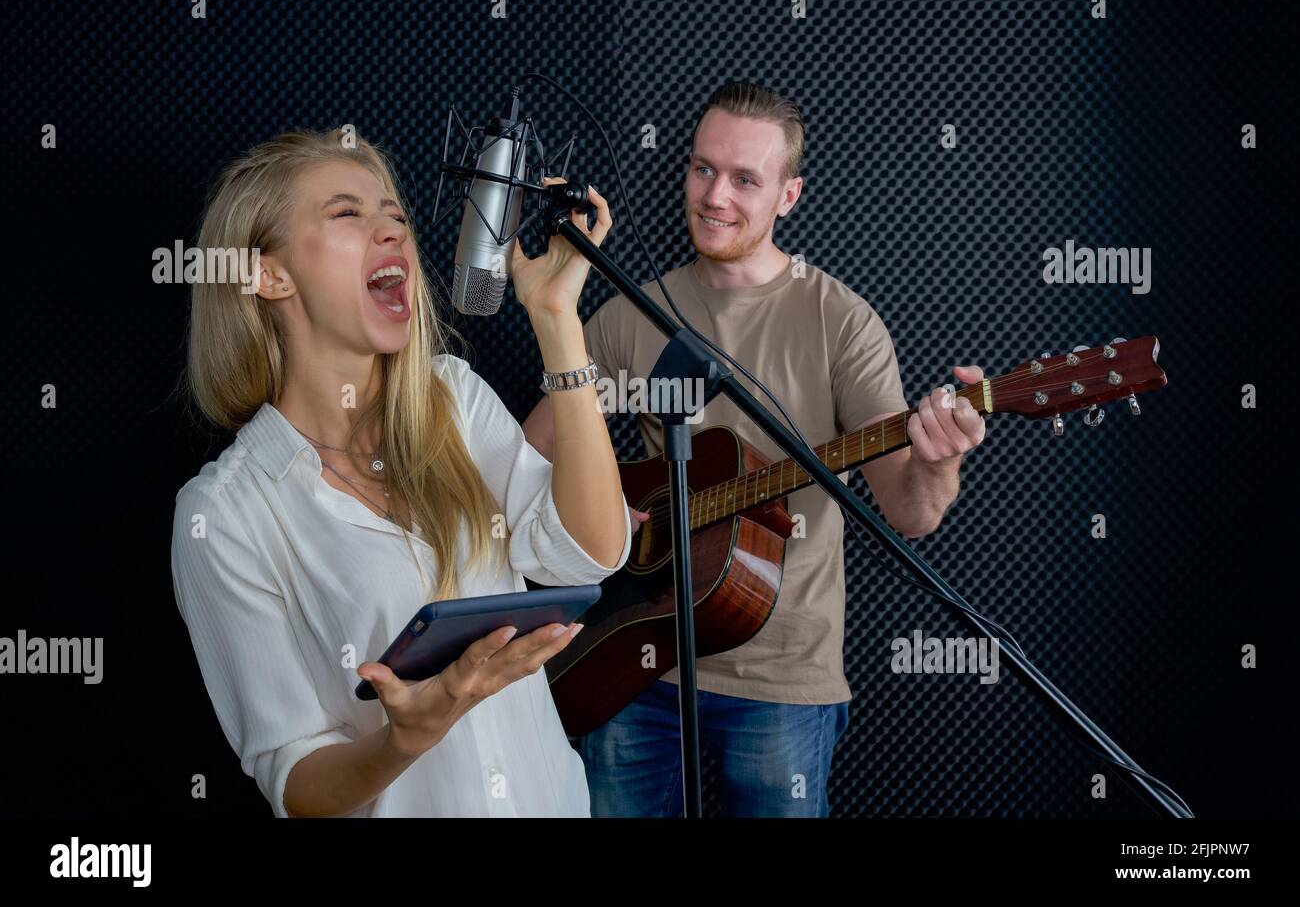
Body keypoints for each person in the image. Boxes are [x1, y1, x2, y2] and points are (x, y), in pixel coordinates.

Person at [522, 81, 988, 816]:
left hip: (783, 682)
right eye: (703, 169)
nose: (715, 196)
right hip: (637, 659)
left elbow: (910, 512)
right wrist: (599, 506)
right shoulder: (627, 316)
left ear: (789, 195)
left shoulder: (842, 322)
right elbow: (526, 461)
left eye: (745, 179)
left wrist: (939, 458)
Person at [171, 128, 631, 817]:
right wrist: (404, 738)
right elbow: (295, 778)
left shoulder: (456, 399)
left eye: (397, 216)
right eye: (348, 214)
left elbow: (590, 551)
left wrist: (557, 318)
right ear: (267, 273)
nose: (392, 231)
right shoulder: (225, 515)